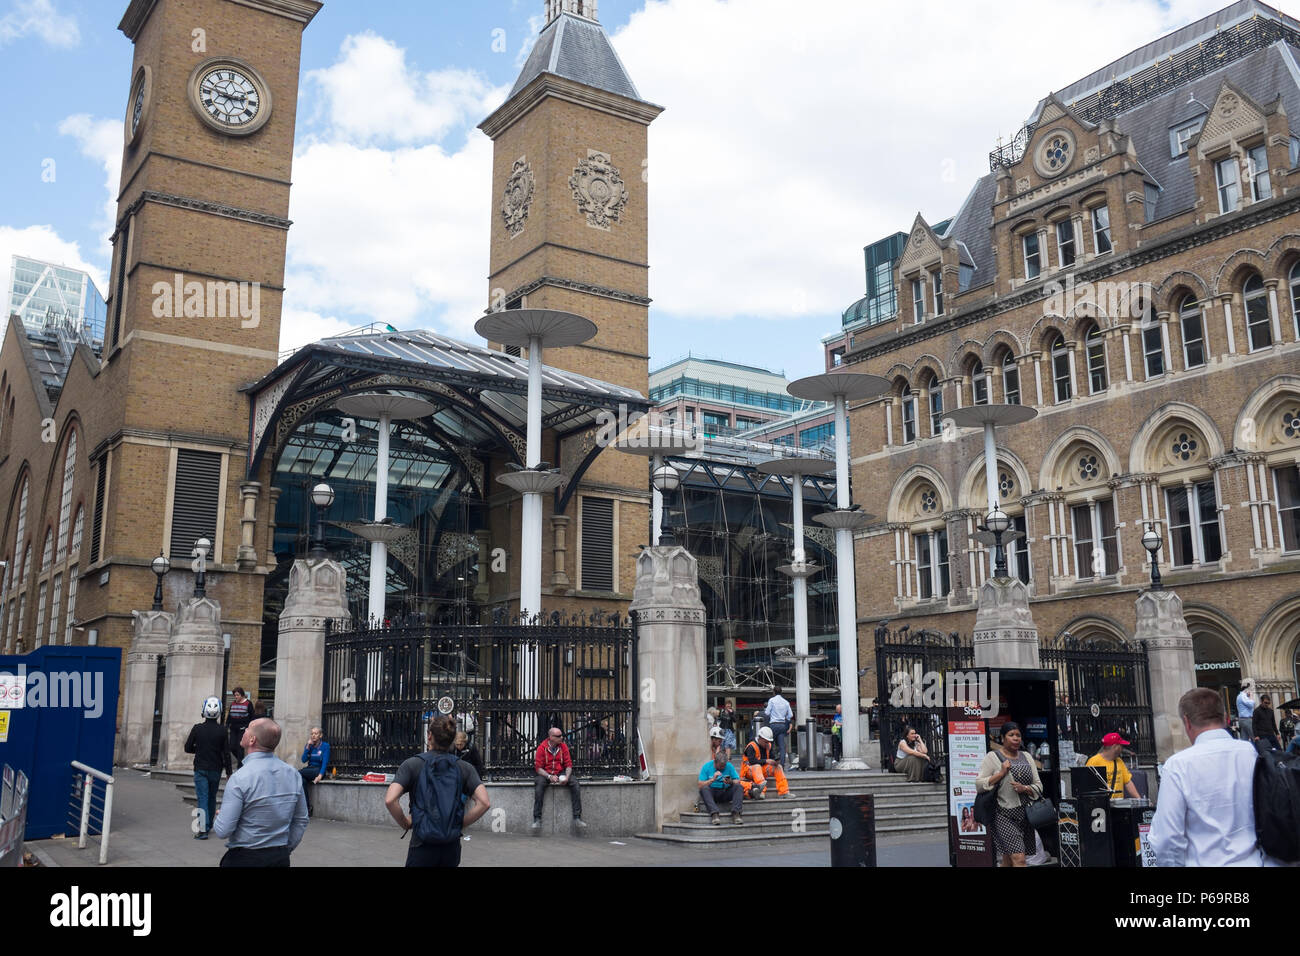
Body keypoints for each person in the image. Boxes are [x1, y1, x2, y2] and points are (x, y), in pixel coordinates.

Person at [1149, 687, 1262, 866]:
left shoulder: (1178, 765)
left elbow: (1167, 837)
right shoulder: (1252, 753)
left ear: (1186, 722)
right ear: (1225, 717)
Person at [385, 715, 490, 867]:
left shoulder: (413, 764)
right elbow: (484, 802)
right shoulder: (464, 767)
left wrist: (405, 823)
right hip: (451, 847)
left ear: (429, 735)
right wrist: (459, 823)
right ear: (453, 739)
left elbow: (390, 799)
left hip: (422, 844)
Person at [211, 718, 308, 867]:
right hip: (279, 857)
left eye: (248, 729)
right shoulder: (293, 774)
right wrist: (285, 849)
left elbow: (223, 830)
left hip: (244, 857)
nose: (244, 731)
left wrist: (218, 817)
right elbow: (301, 819)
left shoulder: (239, 778)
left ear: (252, 740)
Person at [976, 721, 1043, 868]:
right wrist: (1001, 773)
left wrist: (1025, 788)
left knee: (1008, 859)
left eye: (1018, 735)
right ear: (1002, 738)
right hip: (1003, 815)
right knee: (1019, 859)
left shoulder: (1027, 756)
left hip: (1025, 815)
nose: (1015, 738)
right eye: (1011, 735)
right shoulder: (992, 757)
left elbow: (1039, 786)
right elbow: (979, 785)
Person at [184, 696, 232, 840]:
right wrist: (229, 772)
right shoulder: (222, 731)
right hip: (216, 768)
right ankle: (209, 824)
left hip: (200, 768)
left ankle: (203, 829)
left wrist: (198, 750)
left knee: (202, 798)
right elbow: (226, 753)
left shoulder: (197, 729)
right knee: (212, 797)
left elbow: (187, 747)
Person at [532, 726, 585, 830]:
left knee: (575, 783)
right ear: (551, 737)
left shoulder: (563, 747)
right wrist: (549, 776)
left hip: (560, 772)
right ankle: (537, 819)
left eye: (561, 735)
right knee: (539, 786)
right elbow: (538, 768)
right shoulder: (541, 748)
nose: (561, 738)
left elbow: (569, 765)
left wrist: (566, 777)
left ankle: (577, 817)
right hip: (545, 773)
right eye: (558, 736)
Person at [1084, 732, 1141, 800]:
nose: (1122, 748)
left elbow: (1128, 782)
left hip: (1119, 805)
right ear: (1115, 747)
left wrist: (1139, 799)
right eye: (1121, 746)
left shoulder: (1119, 761)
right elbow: (1087, 786)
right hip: (1102, 806)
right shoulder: (1093, 761)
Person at [739, 726, 792, 798]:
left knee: (778, 767)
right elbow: (752, 761)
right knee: (757, 766)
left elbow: (772, 757)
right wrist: (766, 761)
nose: (767, 743)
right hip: (748, 772)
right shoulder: (751, 746)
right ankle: (761, 792)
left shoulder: (768, 745)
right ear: (760, 738)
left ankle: (784, 792)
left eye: (768, 741)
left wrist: (775, 761)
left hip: (761, 770)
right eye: (765, 741)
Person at [697, 753, 744, 825]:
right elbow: (700, 785)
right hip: (713, 793)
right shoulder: (706, 766)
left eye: (724, 765)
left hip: (725, 791)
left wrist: (731, 781)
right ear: (715, 762)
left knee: (739, 787)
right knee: (704, 789)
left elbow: (738, 780)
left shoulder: (729, 766)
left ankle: (736, 813)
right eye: (721, 766)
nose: (723, 767)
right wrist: (712, 779)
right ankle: (714, 814)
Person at [299, 727, 330, 817]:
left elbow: (325, 762)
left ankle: (305, 808)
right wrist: (308, 747)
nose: (313, 735)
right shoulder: (309, 746)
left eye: (316, 734)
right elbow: (303, 760)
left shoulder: (325, 746)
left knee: (297, 773)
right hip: (310, 769)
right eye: (312, 733)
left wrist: (320, 775)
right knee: (301, 780)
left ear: (320, 735)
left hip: (318, 770)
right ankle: (307, 807)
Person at [764, 687, 794, 768]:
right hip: (782, 725)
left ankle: (770, 762)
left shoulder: (772, 700)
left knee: (770, 743)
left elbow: (767, 712)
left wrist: (772, 715)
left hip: (773, 724)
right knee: (782, 746)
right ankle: (782, 764)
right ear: (781, 692)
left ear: (774, 692)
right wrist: (785, 718)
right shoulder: (786, 702)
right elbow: (790, 715)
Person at [225, 687, 253, 770]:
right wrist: (226, 725)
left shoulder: (248, 703)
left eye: (237, 695)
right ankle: (242, 761)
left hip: (243, 728)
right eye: (235, 695)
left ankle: (239, 766)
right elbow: (229, 716)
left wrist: (248, 726)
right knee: (232, 747)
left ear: (242, 695)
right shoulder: (233, 703)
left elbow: (252, 716)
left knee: (240, 746)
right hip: (233, 728)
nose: (236, 697)